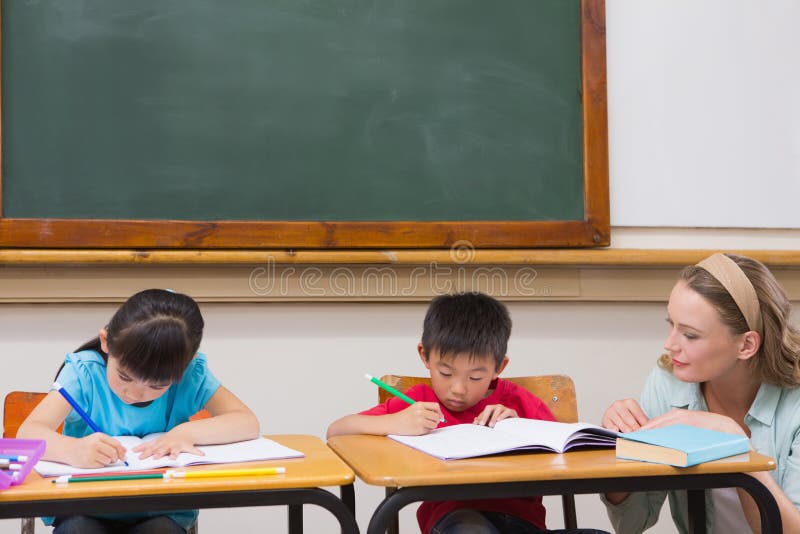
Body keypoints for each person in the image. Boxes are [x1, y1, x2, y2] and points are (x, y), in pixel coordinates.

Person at [327, 292, 608, 534]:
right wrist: (395, 422)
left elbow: (569, 453)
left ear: (500, 367)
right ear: (425, 356)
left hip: (524, 524)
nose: (458, 389)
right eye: (446, 373)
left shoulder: (520, 403)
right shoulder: (417, 403)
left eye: (475, 377)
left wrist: (523, 427)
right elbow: (337, 430)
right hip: (456, 523)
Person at [17, 289, 260, 534]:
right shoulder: (84, 374)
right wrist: (73, 451)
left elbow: (246, 421)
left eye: (157, 385)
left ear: (185, 365)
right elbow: (28, 433)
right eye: (124, 376)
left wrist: (186, 433)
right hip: (86, 505)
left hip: (161, 508)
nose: (134, 394)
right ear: (106, 342)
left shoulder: (190, 375)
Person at [601, 253, 800, 533]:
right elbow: (633, 522)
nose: (669, 344)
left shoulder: (796, 403)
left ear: (746, 345)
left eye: (690, 335)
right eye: (671, 324)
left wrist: (737, 445)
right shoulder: (668, 384)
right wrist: (619, 450)